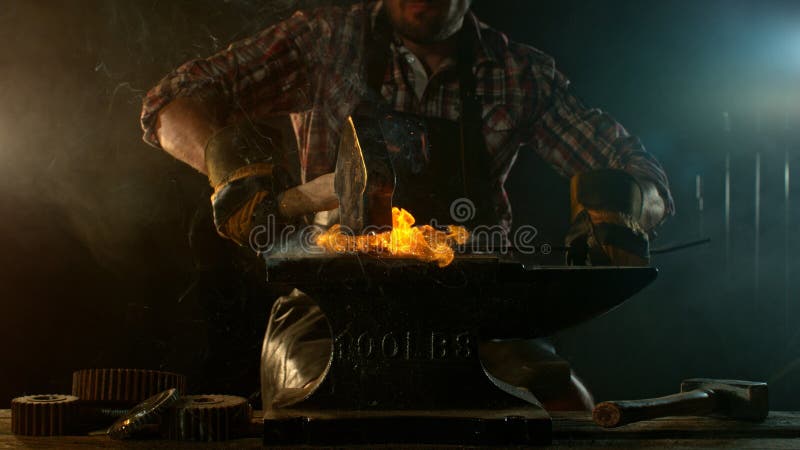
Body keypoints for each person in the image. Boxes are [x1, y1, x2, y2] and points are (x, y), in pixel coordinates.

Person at [141, 0, 673, 411]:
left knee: (566, 410)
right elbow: (173, 101)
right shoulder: (324, 41)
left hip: (477, 313)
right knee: (314, 419)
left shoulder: (518, 73)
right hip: (330, 308)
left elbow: (638, 169)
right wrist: (230, 174)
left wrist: (622, 211)